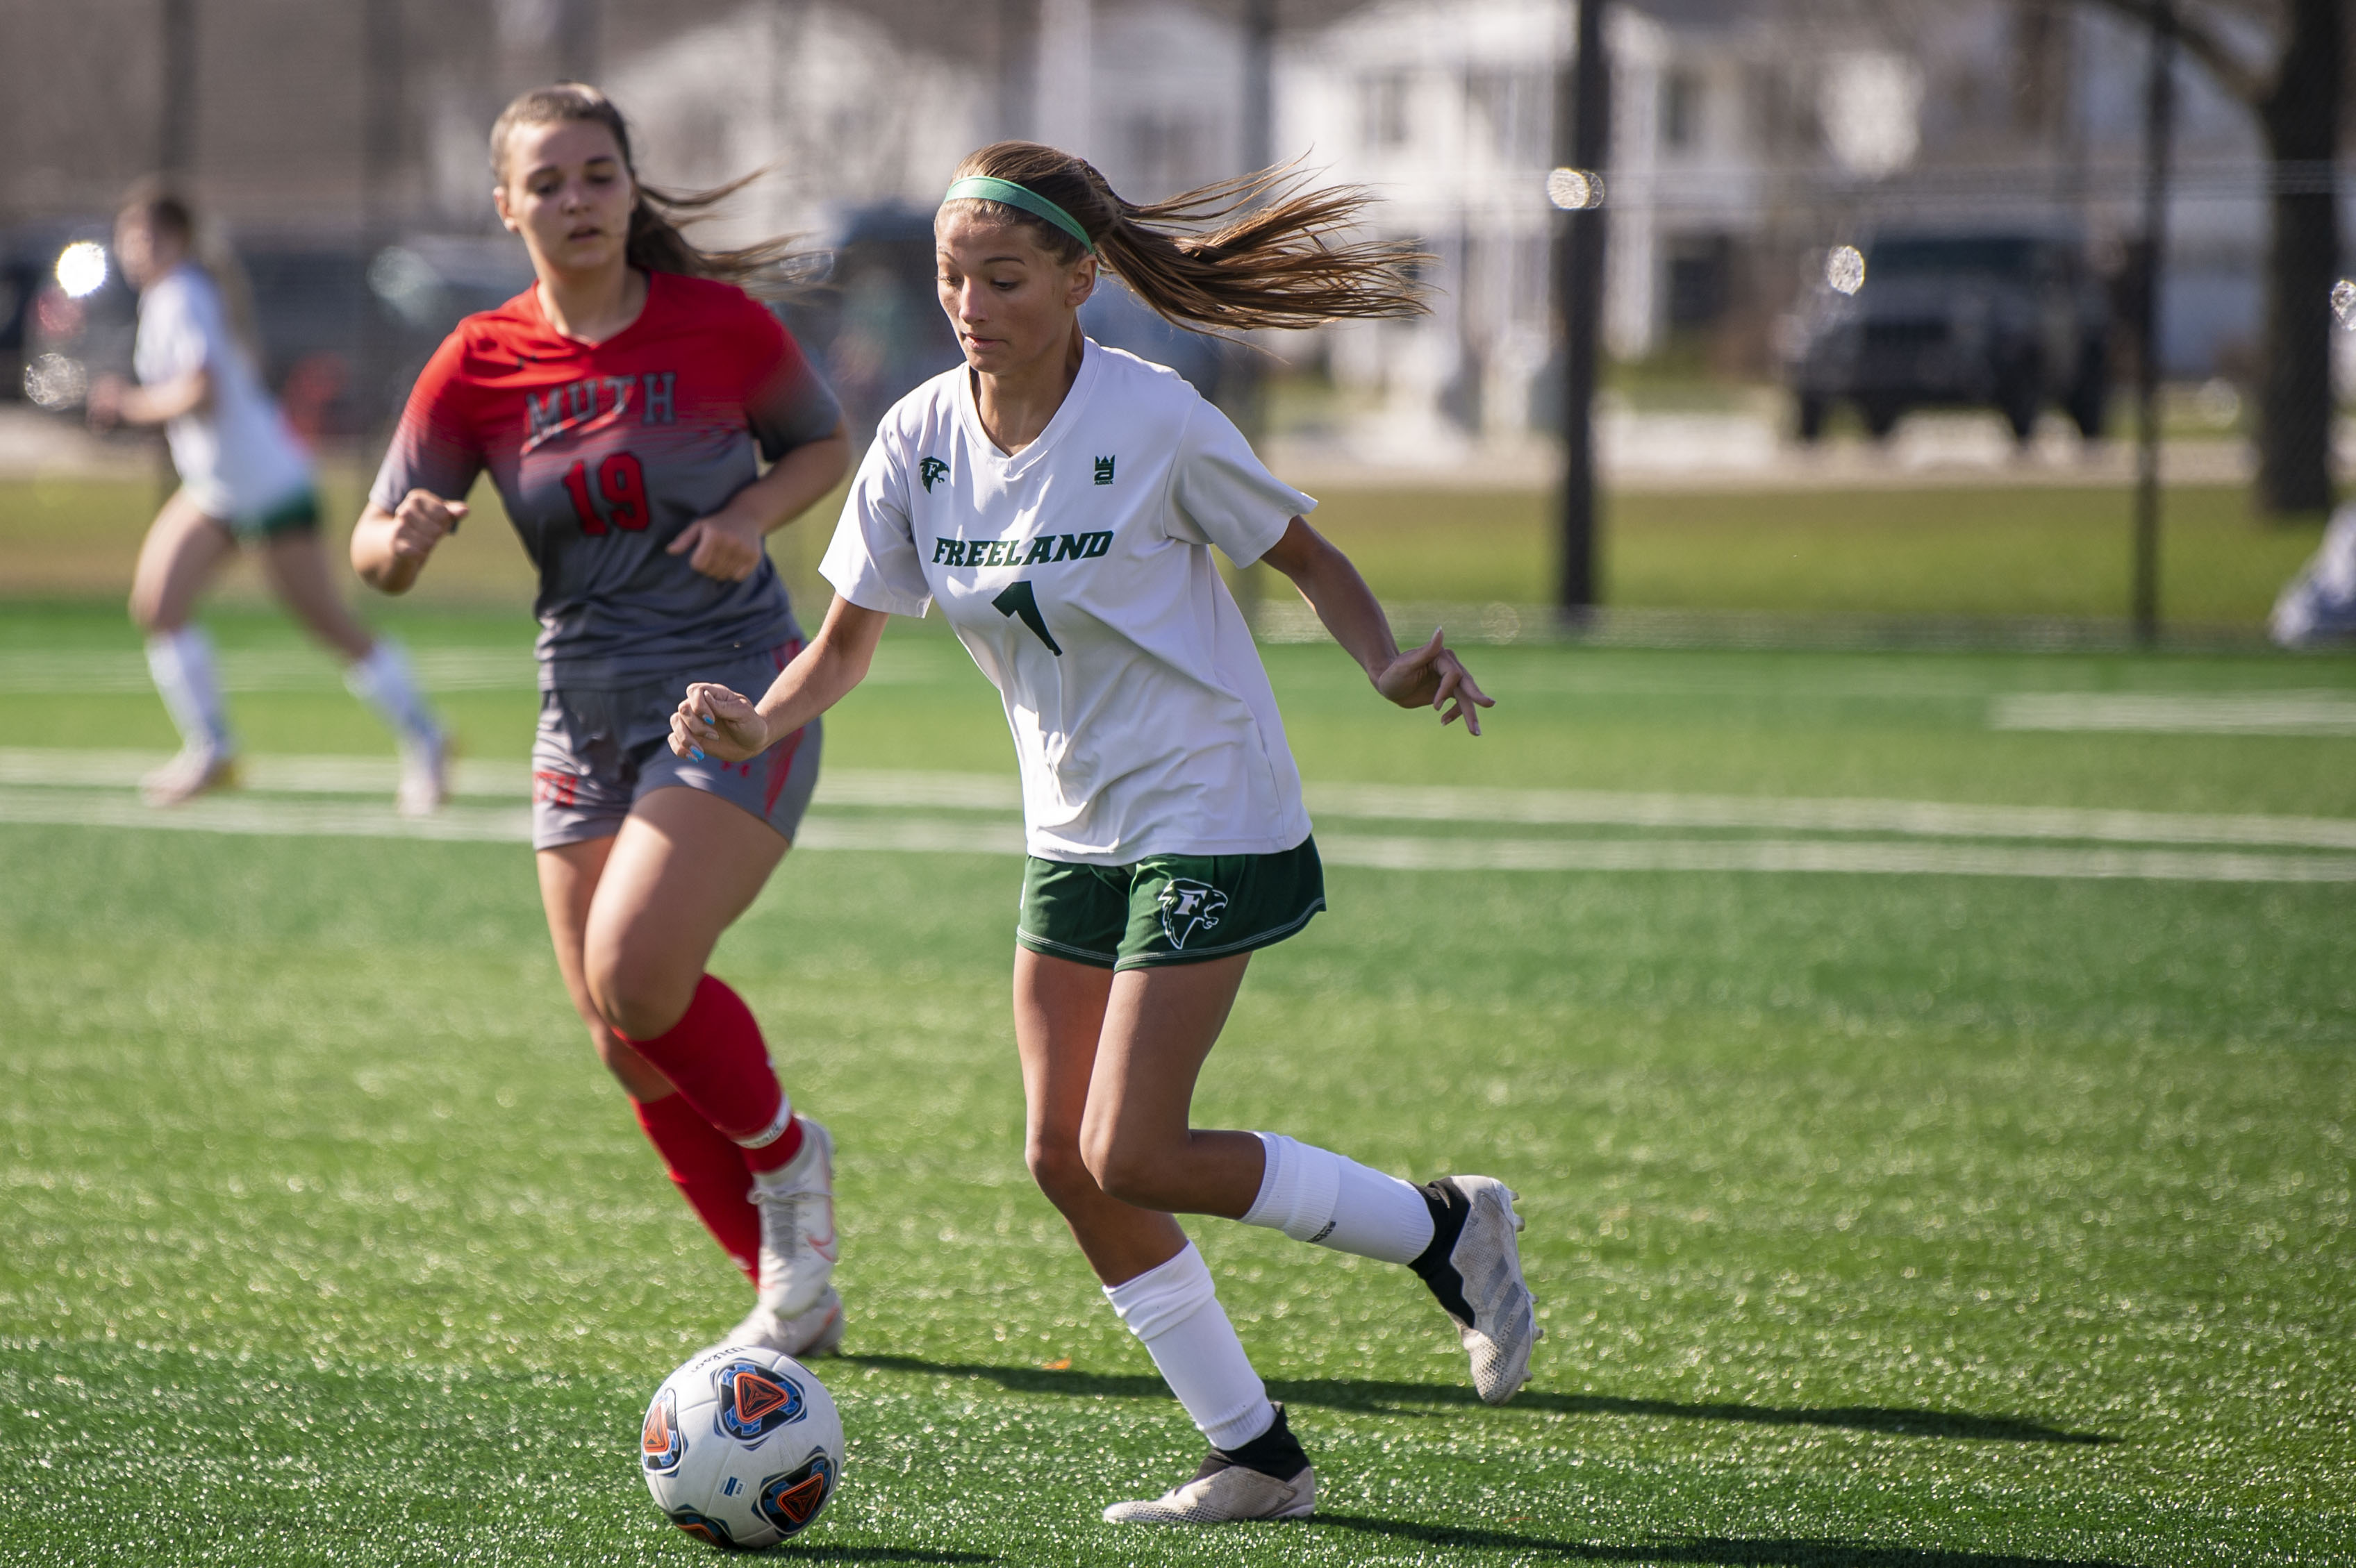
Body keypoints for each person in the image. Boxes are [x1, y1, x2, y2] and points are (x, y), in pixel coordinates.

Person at [672, 141, 1538, 1524]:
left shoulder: (1155, 418)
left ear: (1080, 279)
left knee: (1129, 1147)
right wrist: (755, 724)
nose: (969, 304)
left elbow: (1307, 559)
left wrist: (1385, 666)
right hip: (1073, 830)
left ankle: (1442, 1224)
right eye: (951, 276)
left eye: (1003, 278)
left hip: (1211, 805)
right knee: (1059, 1158)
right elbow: (840, 646)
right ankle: (1256, 1454)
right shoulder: (917, 437)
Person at [349, 85, 854, 1357]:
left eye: (598, 175)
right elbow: (373, 546)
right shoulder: (478, 358)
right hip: (579, 709)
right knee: (625, 1042)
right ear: (505, 206)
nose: (576, 200)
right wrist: (403, 542)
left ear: (631, 189)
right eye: (549, 182)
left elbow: (821, 446)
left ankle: (789, 1159)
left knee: (638, 974)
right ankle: (792, 1294)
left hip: (728, 689)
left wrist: (750, 515)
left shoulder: (719, 327)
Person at [88, 183, 447, 812]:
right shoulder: (170, 296)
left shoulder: (182, 293)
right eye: (129, 236)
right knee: (159, 605)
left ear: (177, 240)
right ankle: (214, 749)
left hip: (268, 486)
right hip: (219, 489)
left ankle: (429, 740)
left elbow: (200, 391)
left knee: (330, 624)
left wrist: (128, 406)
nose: (135, 249)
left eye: (148, 236)